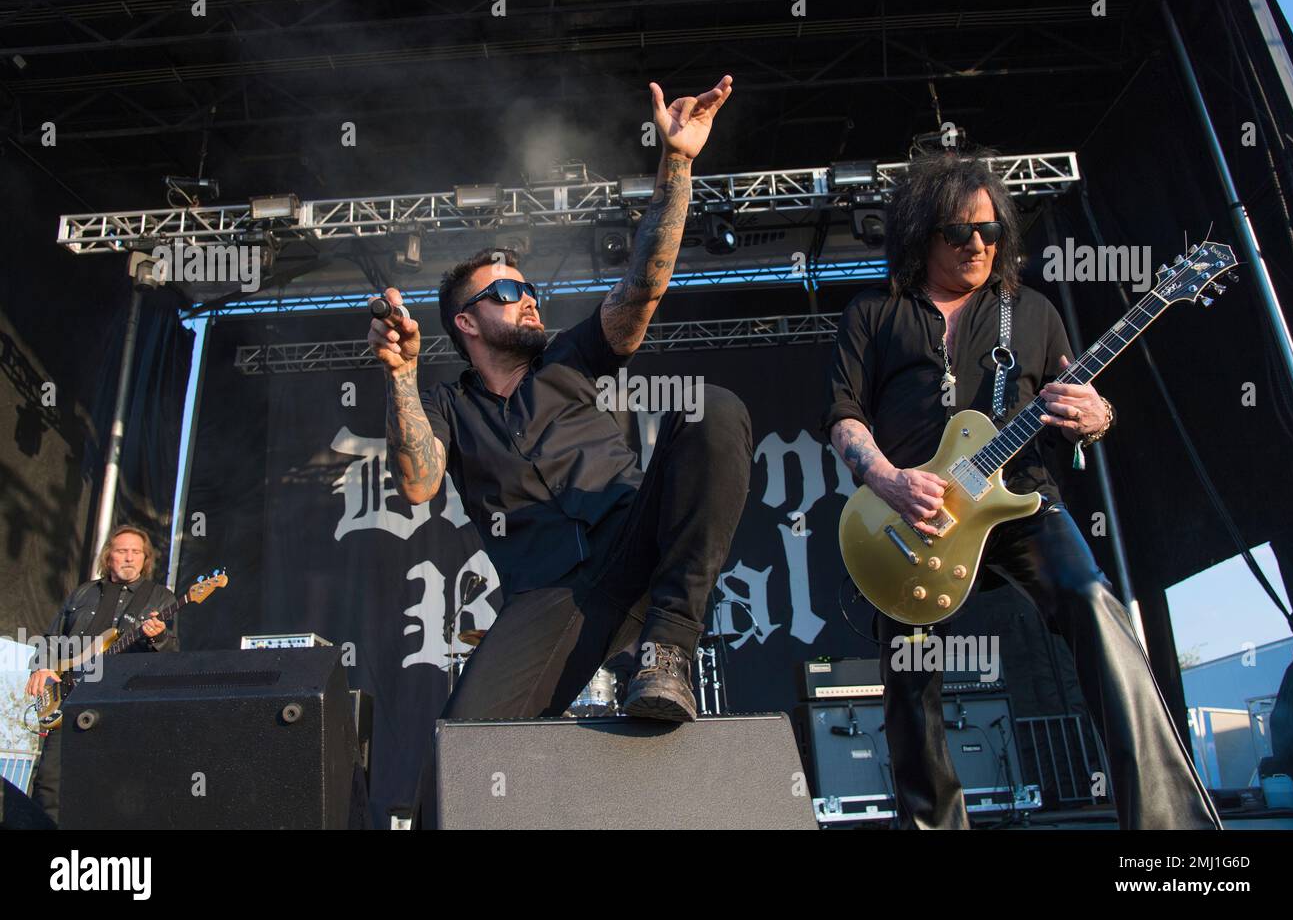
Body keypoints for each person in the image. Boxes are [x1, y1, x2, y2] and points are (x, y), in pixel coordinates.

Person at [823, 151, 1220, 829]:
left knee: (1093, 602)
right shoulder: (873, 312)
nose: (977, 244)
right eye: (959, 231)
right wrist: (888, 479)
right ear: (921, 234)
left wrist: (1097, 416)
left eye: (990, 231)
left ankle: (1169, 832)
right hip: (915, 515)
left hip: (1021, 498)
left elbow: (1080, 411)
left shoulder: (1031, 312)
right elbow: (843, 416)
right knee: (911, 674)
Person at [372, 74, 750, 741]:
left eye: (529, 289)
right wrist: (401, 374)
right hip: (549, 597)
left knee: (712, 409)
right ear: (465, 323)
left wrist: (677, 162)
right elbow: (418, 482)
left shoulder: (569, 356)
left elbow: (643, 285)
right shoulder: (447, 404)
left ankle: (668, 648)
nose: (527, 298)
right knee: (464, 752)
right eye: (506, 291)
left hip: (635, 542)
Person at [24, 524, 178, 824]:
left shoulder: (160, 597)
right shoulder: (84, 592)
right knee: (50, 783)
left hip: (122, 704)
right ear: (109, 556)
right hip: (71, 699)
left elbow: (173, 658)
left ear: (145, 558)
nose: (129, 558)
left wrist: (159, 636)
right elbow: (53, 637)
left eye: (136, 552)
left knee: (112, 786)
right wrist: (42, 666)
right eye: (122, 551)